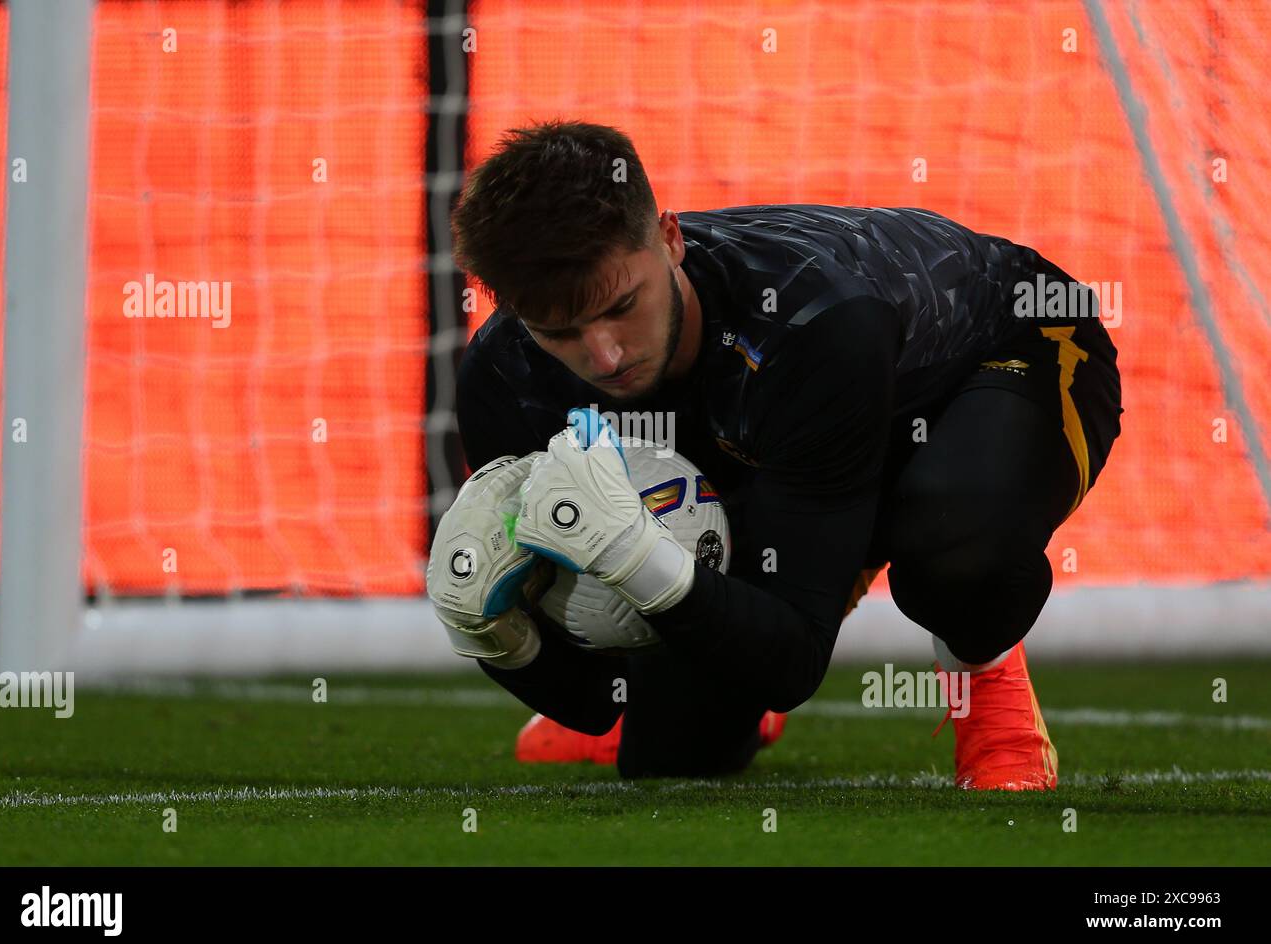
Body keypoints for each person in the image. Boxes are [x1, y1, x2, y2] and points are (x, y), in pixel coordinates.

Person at [428, 120, 1122, 788]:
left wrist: (642, 558)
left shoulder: (815, 319)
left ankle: (988, 679)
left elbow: (795, 662)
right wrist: (502, 639)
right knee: (669, 757)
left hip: (1008, 342)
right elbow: (592, 698)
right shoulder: (508, 386)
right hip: (797, 436)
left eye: (621, 306)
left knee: (955, 544)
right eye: (560, 331)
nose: (604, 355)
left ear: (670, 239)